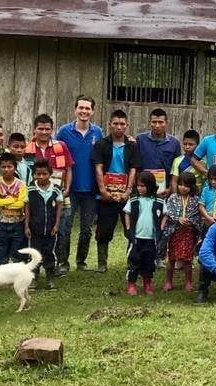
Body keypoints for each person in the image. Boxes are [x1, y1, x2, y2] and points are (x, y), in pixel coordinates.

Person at [56, 96, 104, 276]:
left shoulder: (98, 132)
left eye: (88, 109)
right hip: (69, 188)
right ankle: (63, 262)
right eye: (81, 108)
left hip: (91, 189)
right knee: (65, 227)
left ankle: (81, 261)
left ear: (92, 111)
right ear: (75, 109)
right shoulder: (63, 131)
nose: (84, 112)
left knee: (86, 229)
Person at [91, 110, 138, 274]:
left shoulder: (132, 145)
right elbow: (98, 167)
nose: (119, 127)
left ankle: (132, 261)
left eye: (122, 124)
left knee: (130, 230)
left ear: (127, 126)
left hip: (126, 196)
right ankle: (102, 263)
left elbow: (133, 169)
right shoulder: (101, 144)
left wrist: (128, 191)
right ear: (110, 125)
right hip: (106, 196)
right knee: (104, 230)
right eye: (115, 123)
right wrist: (103, 190)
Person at [124, 171, 164, 296]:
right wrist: (128, 227)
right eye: (138, 186)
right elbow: (127, 212)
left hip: (151, 238)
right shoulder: (134, 199)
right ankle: (131, 284)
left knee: (149, 261)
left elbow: (166, 215)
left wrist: (161, 228)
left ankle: (147, 283)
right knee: (134, 261)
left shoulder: (159, 201)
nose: (140, 188)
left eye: (143, 186)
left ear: (150, 185)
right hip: (136, 238)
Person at [24, 158, 62, 290]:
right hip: (35, 229)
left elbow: (59, 207)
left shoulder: (56, 189)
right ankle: (34, 278)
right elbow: (27, 207)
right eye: (38, 174)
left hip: (50, 229)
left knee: (49, 252)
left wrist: (57, 225)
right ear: (35, 174)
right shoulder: (30, 188)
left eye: (44, 174)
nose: (41, 176)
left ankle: (50, 278)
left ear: (50, 174)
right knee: (34, 253)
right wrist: (26, 226)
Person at [162, 171, 201, 292]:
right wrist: (178, 218)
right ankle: (168, 281)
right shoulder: (173, 198)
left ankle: (188, 282)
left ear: (192, 187)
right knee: (172, 258)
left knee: (187, 259)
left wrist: (191, 222)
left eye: (186, 186)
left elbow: (197, 215)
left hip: (188, 233)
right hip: (175, 232)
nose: (183, 188)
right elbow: (169, 212)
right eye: (181, 184)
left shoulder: (195, 200)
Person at [0, 153, 28, 265]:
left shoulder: (21, 184)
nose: (6, 169)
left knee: (18, 254)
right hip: (0, 223)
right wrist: (12, 199)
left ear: (14, 168)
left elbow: (21, 203)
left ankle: (17, 279)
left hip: (18, 223)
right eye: (3, 167)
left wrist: (4, 203)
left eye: (9, 167)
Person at [135, 107, 182, 197]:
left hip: (164, 191)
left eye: (160, 122)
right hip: (143, 191)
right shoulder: (140, 139)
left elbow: (175, 169)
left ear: (166, 123)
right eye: (154, 122)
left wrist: (170, 189)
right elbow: (135, 166)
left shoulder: (174, 143)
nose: (157, 125)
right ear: (150, 122)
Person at [29, 113, 73, 195]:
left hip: (58, 193)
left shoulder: (60, 146)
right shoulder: (28, 149)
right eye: (40, 129)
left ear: (52, 130)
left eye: (47, 129)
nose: (44, 132)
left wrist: (67, 189)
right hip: (35, 194)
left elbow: (69, 169)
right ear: (34, 129)